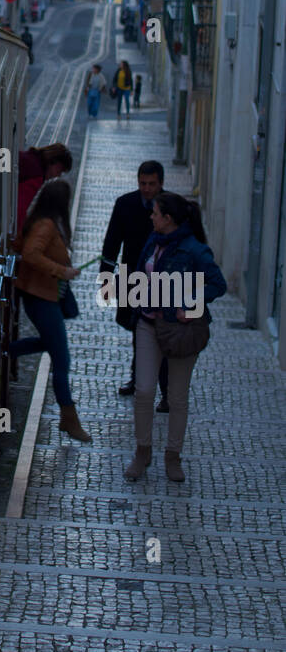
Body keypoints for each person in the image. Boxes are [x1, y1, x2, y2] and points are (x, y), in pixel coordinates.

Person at [124, 191, 226, 484]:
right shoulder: (153, 241)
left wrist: (191, 304)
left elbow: (217, 283)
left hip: (180, 331)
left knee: (177, 396)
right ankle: (142, 452)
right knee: (144, 390)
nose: (151, 216)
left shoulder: (194, 250)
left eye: (155, 213)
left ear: (168, 219)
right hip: (147, 323)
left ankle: (173, 456)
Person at [11, 179, 91, 443]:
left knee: (51, 346)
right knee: (62, 359)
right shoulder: (46, 224)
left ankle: (5, 350)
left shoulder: (46, 220)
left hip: (44, 297)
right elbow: (31, 253)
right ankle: (69, 418)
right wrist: (62, 271)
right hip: (40, 298)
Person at [99, 160, 169, 410]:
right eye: (142, 183)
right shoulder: (125, 203)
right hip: (133, 277)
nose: (146, 188)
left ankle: (167, 390)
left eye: (151, 184)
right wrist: (106, 281)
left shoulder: (171, 206)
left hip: (163, 279)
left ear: (161, 183)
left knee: (162, 332)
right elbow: (112, 242)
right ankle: (139, 378)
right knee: (139, 329)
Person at [17, 142, 73, 237]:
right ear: (53, 161)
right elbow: (20, 207)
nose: (58, 175)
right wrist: (20, 234)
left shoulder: (31, 157)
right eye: (60, 170)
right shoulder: (36, 174)